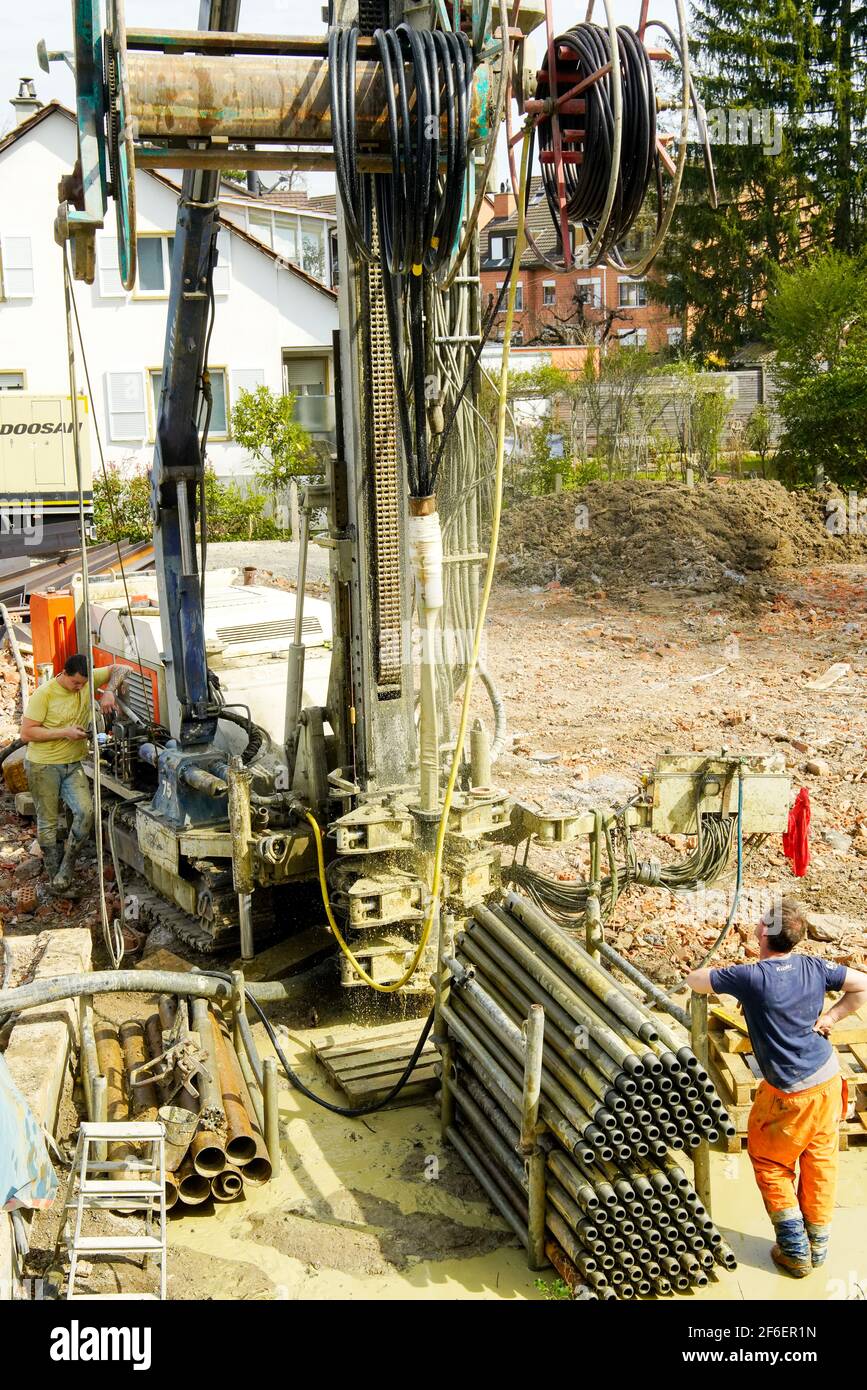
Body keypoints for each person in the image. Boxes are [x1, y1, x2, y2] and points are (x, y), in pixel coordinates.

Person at [687, 896, 867, 1278]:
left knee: (770, 1163)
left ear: (762, 933)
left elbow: (696, 982)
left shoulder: (751, 977)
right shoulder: (814, 966)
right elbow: (861, 986)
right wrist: (830, 1018)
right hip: (829, 1080)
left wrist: (715, 971)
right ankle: (818, 1247)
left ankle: (794, 1250)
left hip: (790, 1093)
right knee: (820, 1162)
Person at [19, 653, 127, 898]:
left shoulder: (86, 681)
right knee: (47, 820)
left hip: (72, 764)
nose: (79, 688)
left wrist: (109, 690)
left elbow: (120, 668)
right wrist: (64, 732)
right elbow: (27, 733)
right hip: (43, 765)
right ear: (64, 674)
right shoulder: (44, 694)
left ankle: (67, 867)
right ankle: (56, 878)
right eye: (75, 683)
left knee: (86, 811)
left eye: (83, 684)